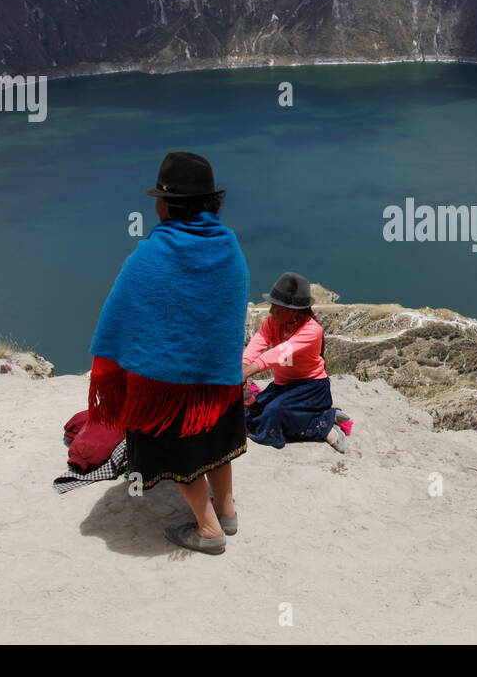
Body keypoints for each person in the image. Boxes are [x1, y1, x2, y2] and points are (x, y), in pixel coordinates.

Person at [88, 151, 249, 556]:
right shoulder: (228, 247)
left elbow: (123, 315)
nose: (155, 204)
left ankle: (209, 530)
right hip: (220, 384)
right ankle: (226, 509)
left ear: (169, 204)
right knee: (214, 441)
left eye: (159, 197)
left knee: (180, 449)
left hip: (169, 394)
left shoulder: (152, 255)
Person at [243, 272, 350, 452]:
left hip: (310, 387)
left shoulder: (311, 330)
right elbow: (258, 342)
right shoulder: (272, 321)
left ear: (294, 310)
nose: (271, 312)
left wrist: (246, 373)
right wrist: (244, 363)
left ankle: (324, 426)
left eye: (277, 307)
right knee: (256, 412)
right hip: (283, 385)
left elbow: (279, 353)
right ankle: (319, 415)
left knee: (273, 414)